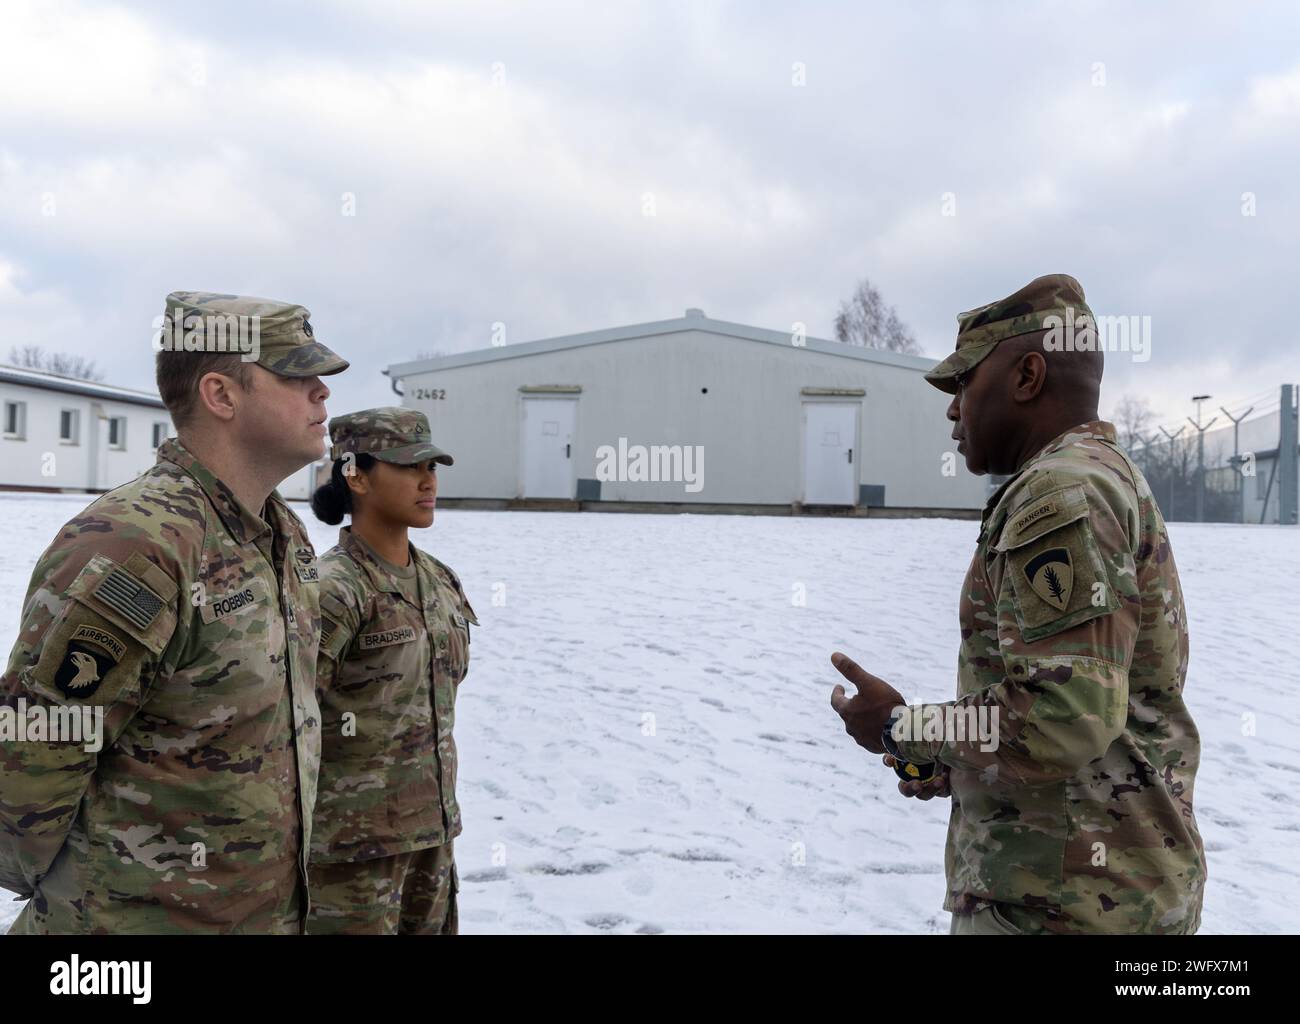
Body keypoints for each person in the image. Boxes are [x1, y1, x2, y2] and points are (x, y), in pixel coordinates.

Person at [829, 274, 1205, 935]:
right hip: (1095, 890)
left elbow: (1064, 717)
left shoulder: (1061, 496)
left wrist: (901, 727)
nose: (952, 409)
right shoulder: (1097, 477)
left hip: (1063, 905)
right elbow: (1081, 711)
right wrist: (958, 760)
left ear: (1028, 376)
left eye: (965, 383)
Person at [0, 291, 348, 934]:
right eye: (297, 375)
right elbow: (31, 764)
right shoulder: (136, 544)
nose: (321, 392)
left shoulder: (282, 534)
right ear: (221, 395)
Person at [306, 407, 478, 934]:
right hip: (351, 855)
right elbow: (284, 721)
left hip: (431, 834)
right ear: (355, 474)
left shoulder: (437, 579)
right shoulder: (333, 590)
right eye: (408, 467)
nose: (428, 481)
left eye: (433, 466)